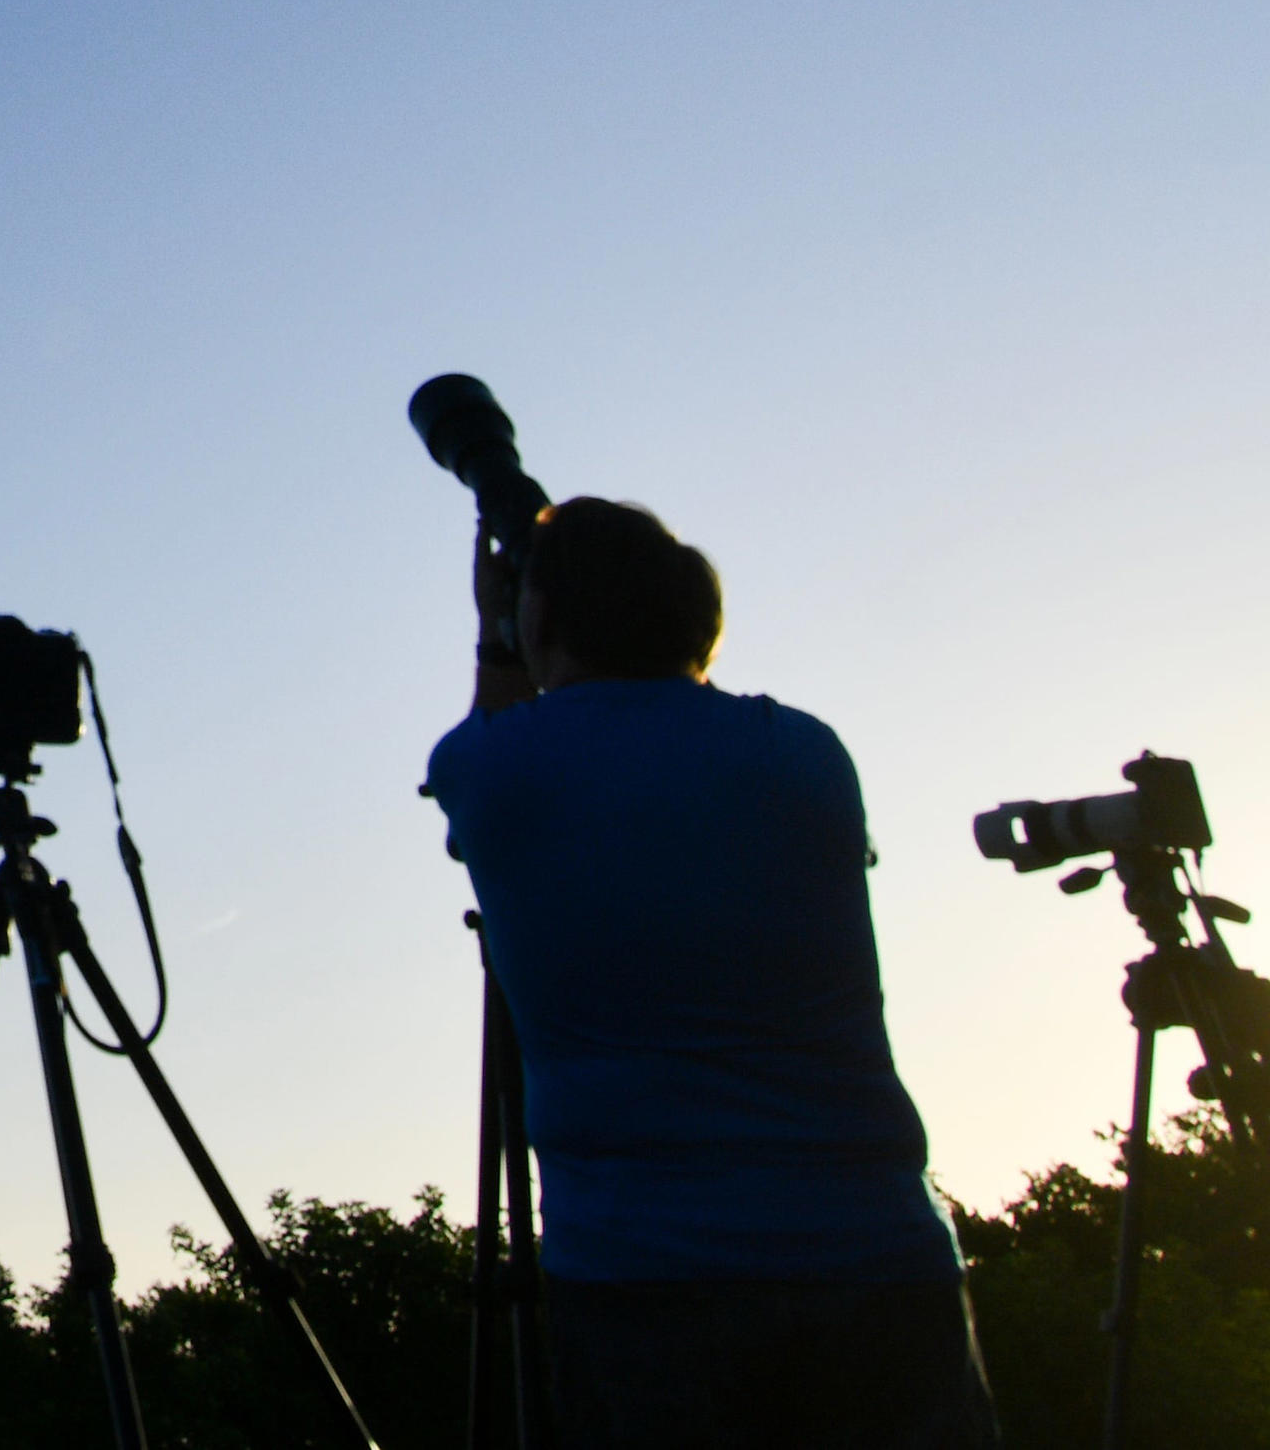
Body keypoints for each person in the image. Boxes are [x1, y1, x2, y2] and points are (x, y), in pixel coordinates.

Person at [423, 497, 995, 1450]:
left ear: (539, 618)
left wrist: (498, 630)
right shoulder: (805, 754)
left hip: (643, 1278)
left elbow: (498, 754)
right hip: (877, 1254)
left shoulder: (494, 765)